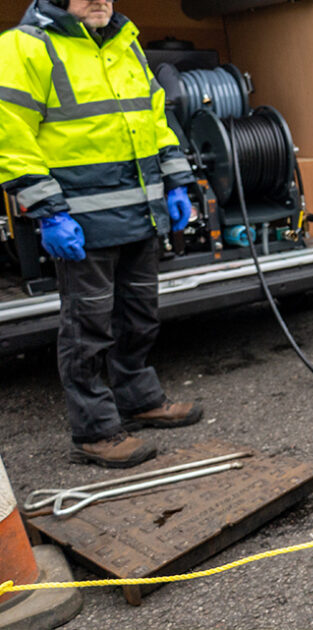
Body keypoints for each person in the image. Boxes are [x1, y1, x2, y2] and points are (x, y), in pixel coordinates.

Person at [0, 0, 203, 469]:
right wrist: (48, 212)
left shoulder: (125, 41)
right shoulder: (27, 47)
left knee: (140, 314)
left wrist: (176, 181)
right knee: (87, 328)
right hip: (81, 220)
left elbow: (155, 118)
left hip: (141, 213)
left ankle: (139, 399)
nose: (99, 0)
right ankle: (94, 431)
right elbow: (10, 135)